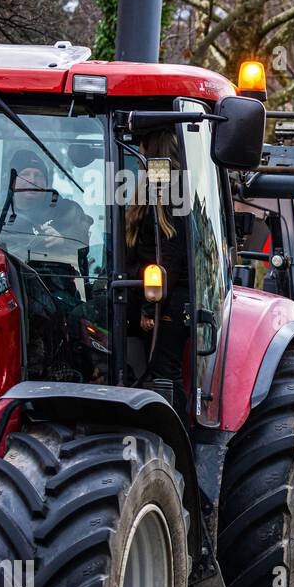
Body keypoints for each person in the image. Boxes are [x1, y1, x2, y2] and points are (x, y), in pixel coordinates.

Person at [126, 130, 188, 409]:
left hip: (166, 302)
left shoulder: (169, 191)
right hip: (152, 296)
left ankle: (180, 443)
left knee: (165, 376)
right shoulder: (156, 187)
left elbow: (169, 256)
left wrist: (152, 308)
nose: (137, 153)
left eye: (141, 145)